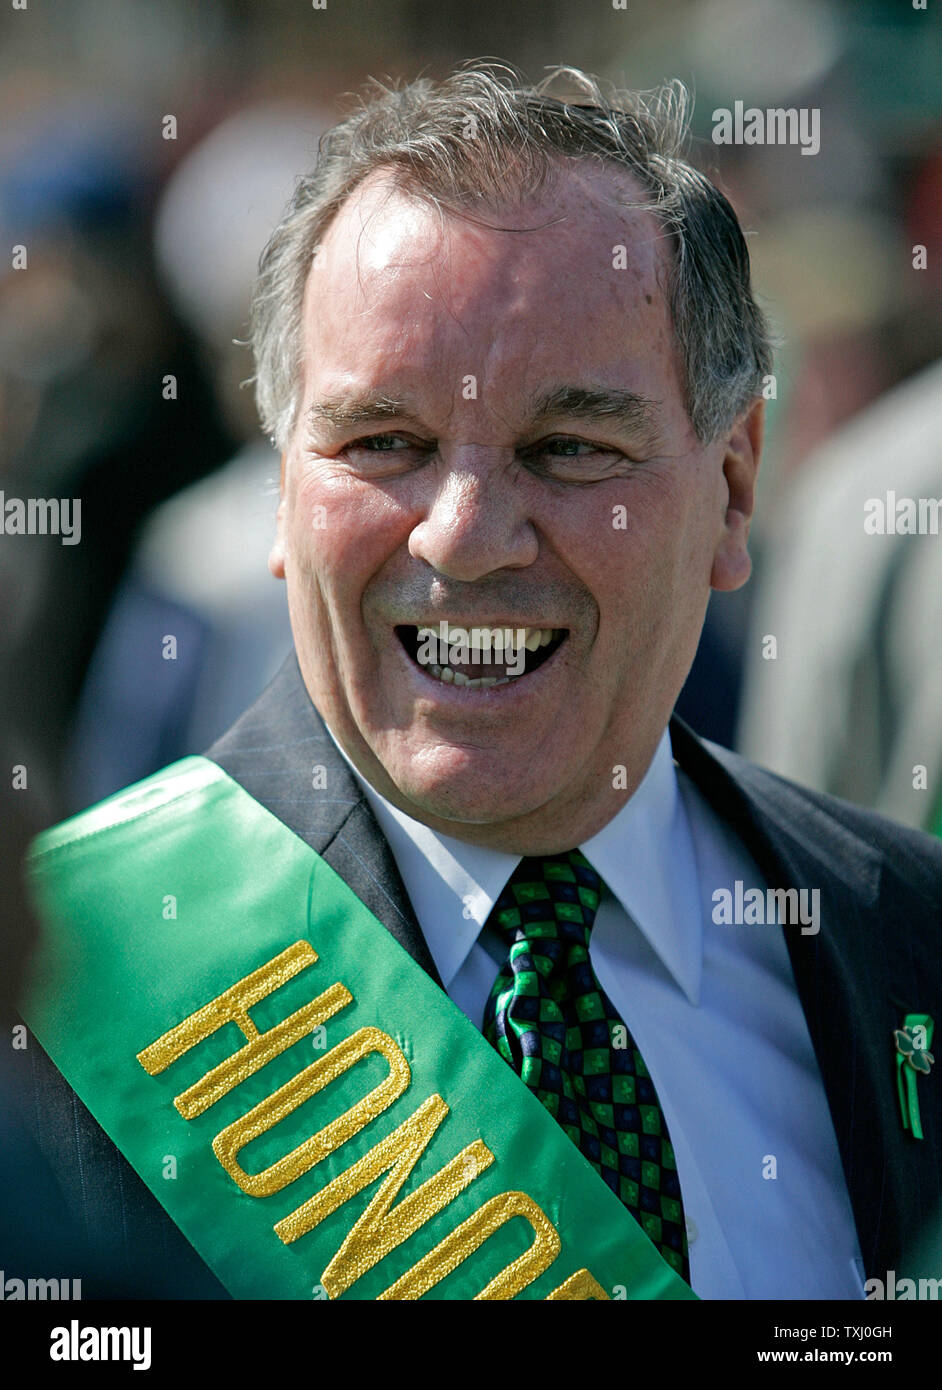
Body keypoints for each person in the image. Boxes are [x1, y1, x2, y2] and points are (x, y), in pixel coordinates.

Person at [17, 62, 942, 1303]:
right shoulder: (58, 994)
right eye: (382, 443)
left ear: (732, 487)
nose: (463, 535)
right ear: (280, 489)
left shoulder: (908, 940)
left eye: (568, 447)